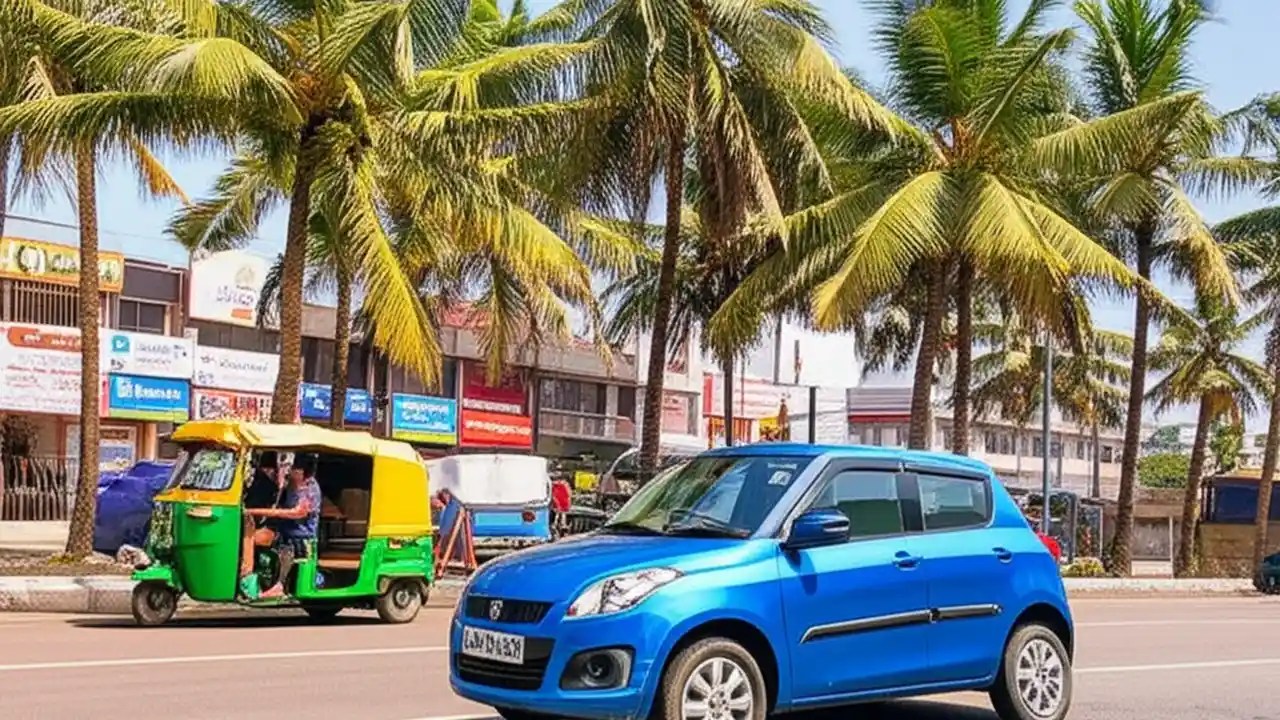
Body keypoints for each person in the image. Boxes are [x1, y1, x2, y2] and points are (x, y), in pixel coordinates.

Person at [243, 455, 322, 599]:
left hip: (300, 537)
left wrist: (253, 511)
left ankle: (274, 584)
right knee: (248, 535)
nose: (289, 472)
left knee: (255, 539)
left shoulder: (310, 490)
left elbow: (296, 513)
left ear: (303, 472)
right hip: (281, 530)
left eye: (293, 469)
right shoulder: (290, 486)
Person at [239, 452, 283, 586]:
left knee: (247, 538)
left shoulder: (264, 485)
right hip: (264, 525)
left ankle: (247, 574)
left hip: (272, 529)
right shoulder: (265, 484)